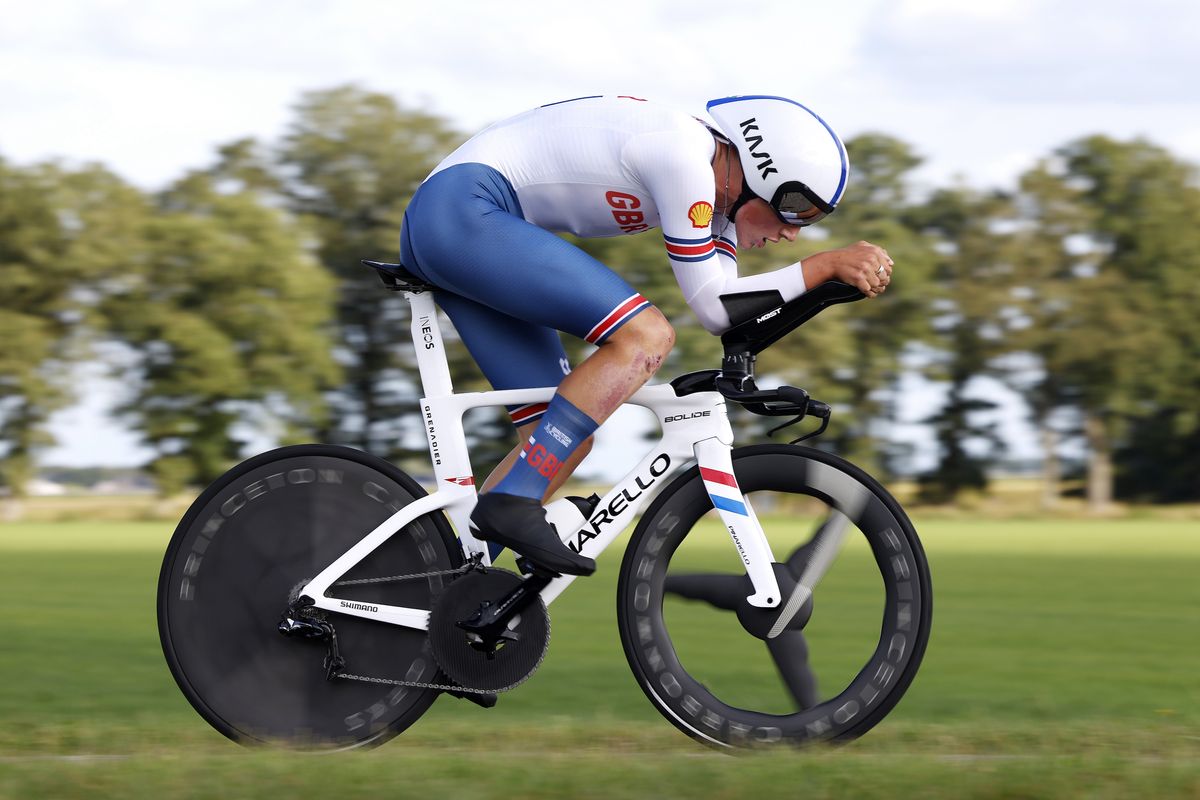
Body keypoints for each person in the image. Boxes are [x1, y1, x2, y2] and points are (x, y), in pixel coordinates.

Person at [399, 94, 893, 576]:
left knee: (559, 443)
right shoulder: (685, 158)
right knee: (645, 336)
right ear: (764, 173)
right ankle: (509, 502)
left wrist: (822, 287)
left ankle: (443, 585)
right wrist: (822, 266)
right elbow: (711, 304)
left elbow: (726, 312)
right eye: (798, 211)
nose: (793, 234)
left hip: (463, 224)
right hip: (462, 210)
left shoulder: (717, 203)